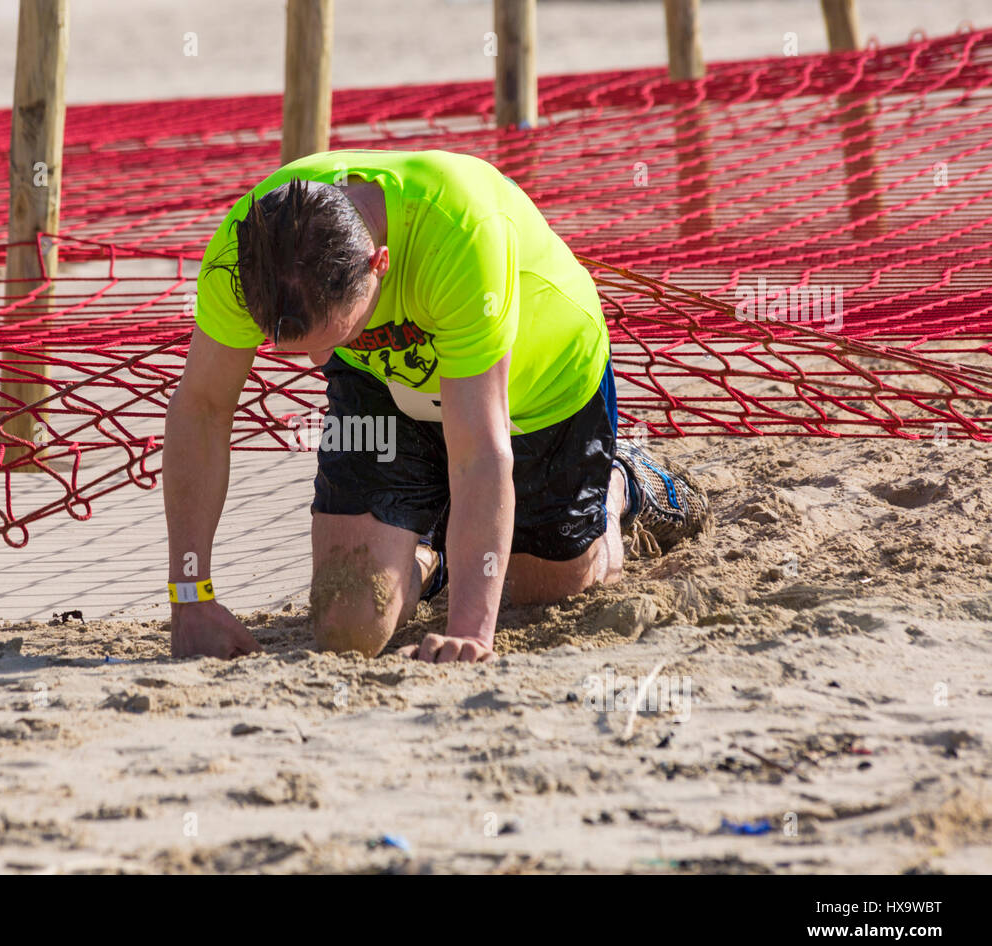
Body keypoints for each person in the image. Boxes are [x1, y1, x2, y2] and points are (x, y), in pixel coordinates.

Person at [164, 149, 708, 663]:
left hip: (536, 386)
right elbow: (203, 409)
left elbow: (480, 453)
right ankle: (436, 551)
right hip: (382, 376)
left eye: (332, 336)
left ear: (380, 264)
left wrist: (470, 634)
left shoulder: (458, 233)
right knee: (349, 625)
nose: (318, 361)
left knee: (543, 590)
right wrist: (190, 596)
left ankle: (620, 481)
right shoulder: (250, 251)